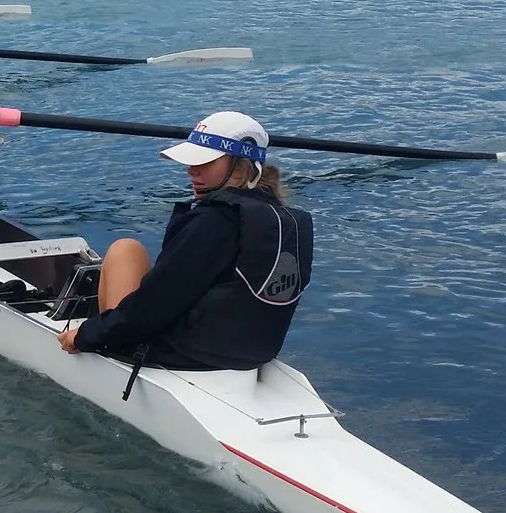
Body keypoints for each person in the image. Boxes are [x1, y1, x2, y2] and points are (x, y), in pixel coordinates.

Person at [58, 111, 314, 372]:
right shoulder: (291, 221)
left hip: (187, 357)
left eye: (205, 162)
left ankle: (103, 354)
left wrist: (87, 334)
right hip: (257, 353)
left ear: (241, 165)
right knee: (131, 253)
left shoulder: (214, 220)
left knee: (124, 250)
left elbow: (154, 305)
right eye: (192, 163)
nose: (192, 171)